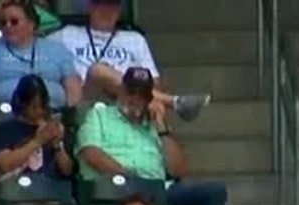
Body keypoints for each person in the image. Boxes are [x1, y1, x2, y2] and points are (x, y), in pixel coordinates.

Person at [76, 66, 232, 205]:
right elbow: (91, 153)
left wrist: (161, 128)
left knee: (213, 192)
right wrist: (129, 177)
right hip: (117, 187)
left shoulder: (152, 124)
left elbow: (178, 170)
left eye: (143, 95)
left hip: (157, 190)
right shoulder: (100, 115)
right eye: (132, 93)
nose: (136, 100)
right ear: (121, 92)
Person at [49, 0, 208, 120]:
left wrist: (150, 100)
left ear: (119, 10)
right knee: (98, 70)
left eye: (112, 6)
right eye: (101, 5)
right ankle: (176, 102)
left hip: (128, 104)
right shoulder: (67, 35)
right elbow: (32, 44)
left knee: (144, 90)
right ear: (90, 7)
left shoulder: (134, 39)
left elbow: (154, 82)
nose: (107, 11)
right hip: (86, 101)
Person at [0, 0, 80, 110]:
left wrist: (68, 112)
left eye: (14, 21)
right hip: (7, 118)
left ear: (31, 24)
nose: (8, 26)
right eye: (3, 23)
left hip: (52, 113)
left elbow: (72, 84)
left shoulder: (56, 48)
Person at [0, 73, 73, 179]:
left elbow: (68, 171)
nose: (40, 111)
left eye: (43, 105)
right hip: (16, 190)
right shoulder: (3, 130)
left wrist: (57, 145)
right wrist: (38, 141)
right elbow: (5, 165)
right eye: (34, 107)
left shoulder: (53, 128)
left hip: (51, 190)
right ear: (22, 103)